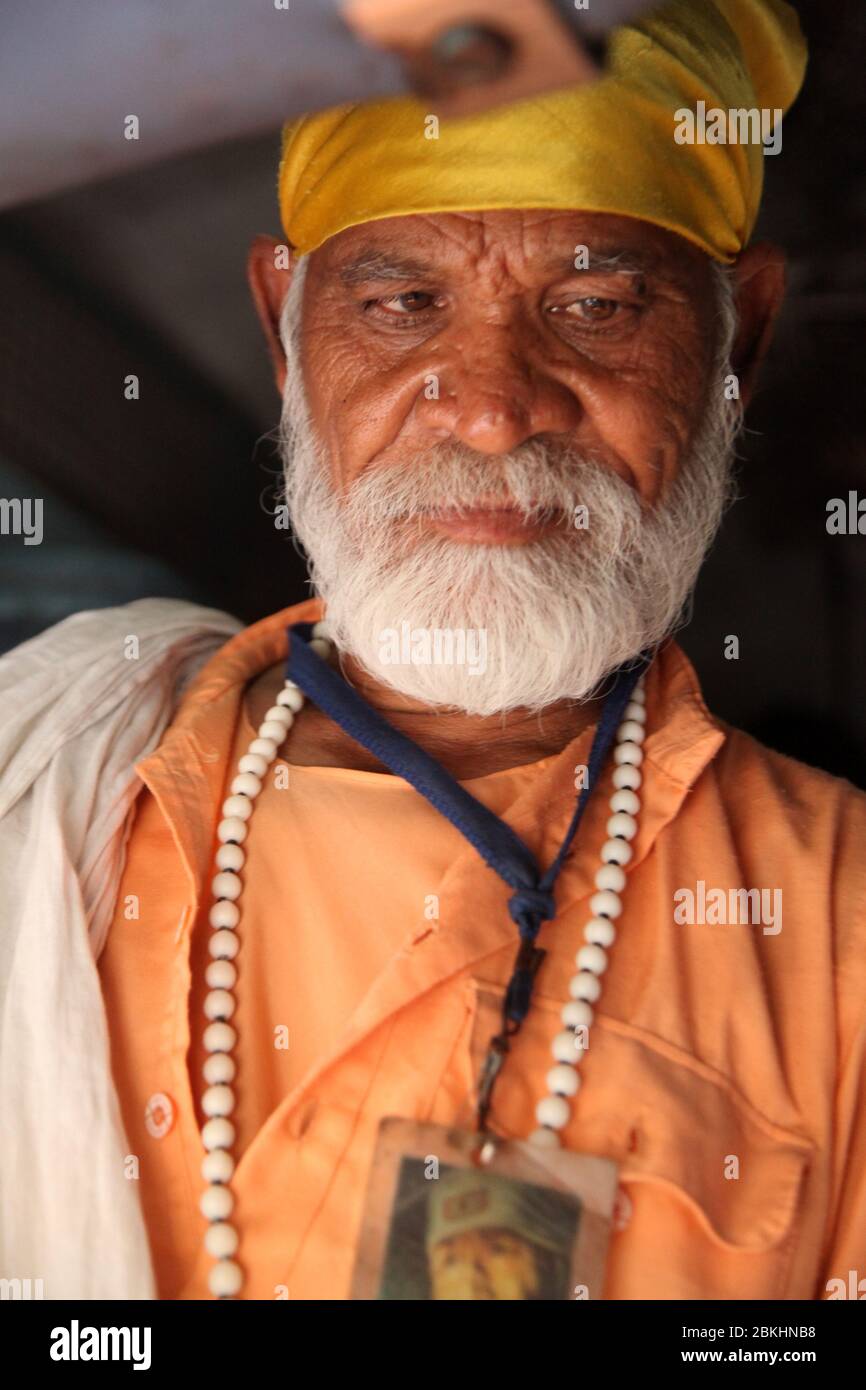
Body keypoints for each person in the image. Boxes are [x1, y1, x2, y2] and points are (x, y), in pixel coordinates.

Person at [1, 0, 864, 1303]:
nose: (491, 408)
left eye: (594, 305)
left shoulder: (839, 927)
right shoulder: (38, 789)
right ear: (283, 324)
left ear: (737, 335)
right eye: (404, 303)